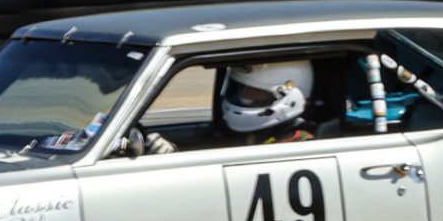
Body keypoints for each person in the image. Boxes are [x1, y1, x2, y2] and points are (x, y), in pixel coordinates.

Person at [120, 59, 318, 155]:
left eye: (254, 94)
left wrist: (175, 159)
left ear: (288, 96)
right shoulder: (254, 136)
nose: (244, 98)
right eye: (239, 90)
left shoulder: (298, 144)